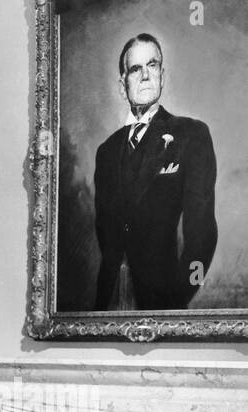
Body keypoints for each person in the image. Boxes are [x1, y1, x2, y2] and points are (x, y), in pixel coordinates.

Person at [93, 32, 217, 311]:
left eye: (153, 65)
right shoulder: (107, 151)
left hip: (161, 302)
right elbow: (105, 231)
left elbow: (202, 233)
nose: (146, 75)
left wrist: (173, 299)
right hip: (107, 302)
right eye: (135, 69)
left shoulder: (191, 134)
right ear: (121, 83)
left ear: (163, 74)